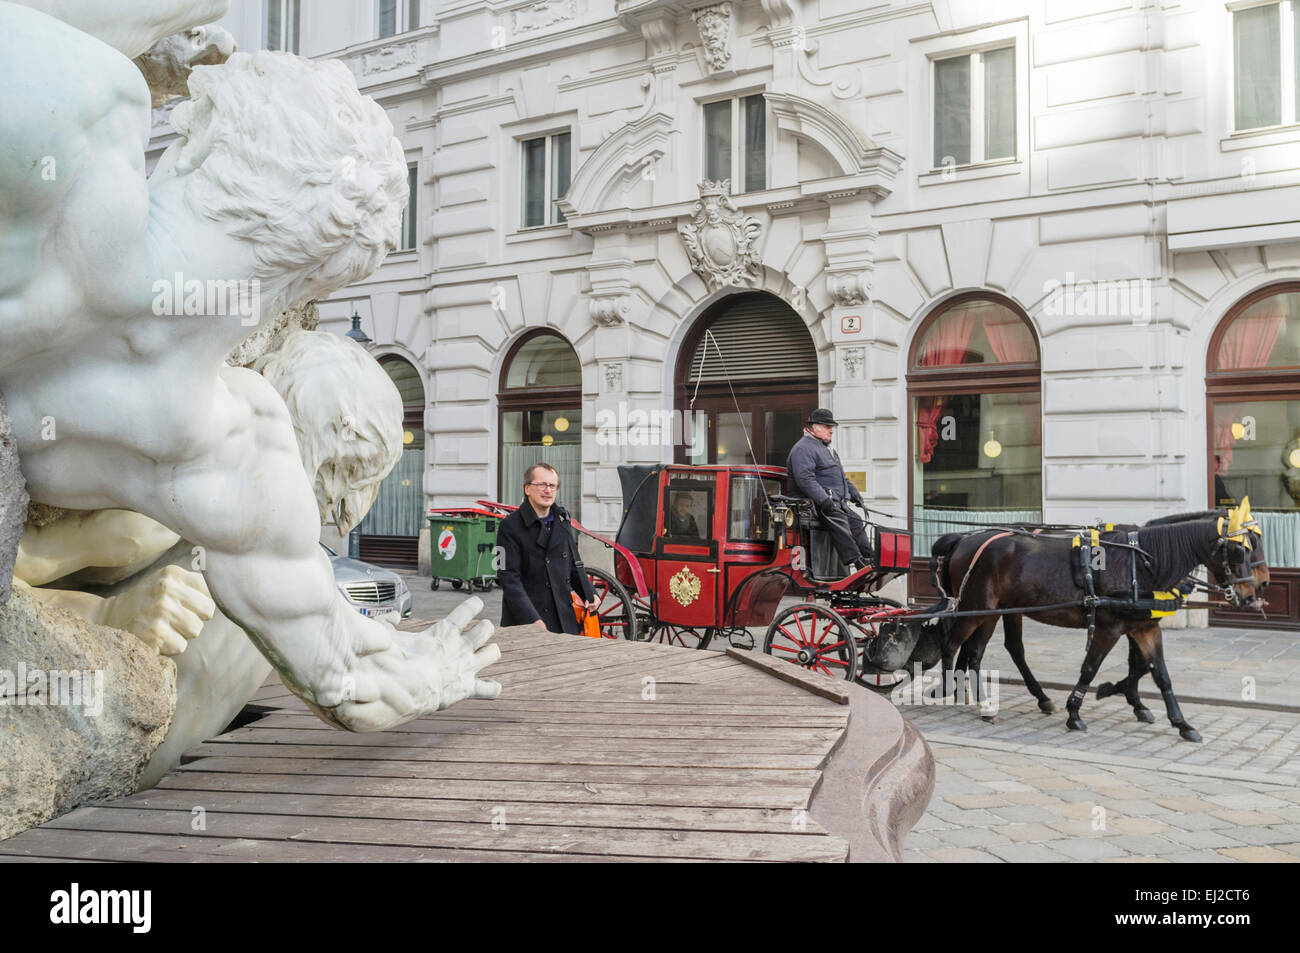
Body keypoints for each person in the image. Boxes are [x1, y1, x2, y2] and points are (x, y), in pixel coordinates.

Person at [499, 462, 599, 634]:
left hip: (564, 618)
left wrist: (590, 594)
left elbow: (575, 564)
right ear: (527, 489)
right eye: (542, 485)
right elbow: (507, 578)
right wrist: (531, 619)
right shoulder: (509, 525)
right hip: (527, 620)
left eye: (552, 485)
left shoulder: (562, 520)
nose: (548, 490)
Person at [786, 408, 873, 570]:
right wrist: (824, 500)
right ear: (814, 427)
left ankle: (869, 557)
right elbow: (805, 479)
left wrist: (854, 494)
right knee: (838, 520)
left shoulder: (827, 449)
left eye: (831, 426)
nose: (831, 430)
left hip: (836, 503)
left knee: (856, 521)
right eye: (827, 426)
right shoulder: (803, 448)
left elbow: (841, 477)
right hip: (814, 505)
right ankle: (857, 560)